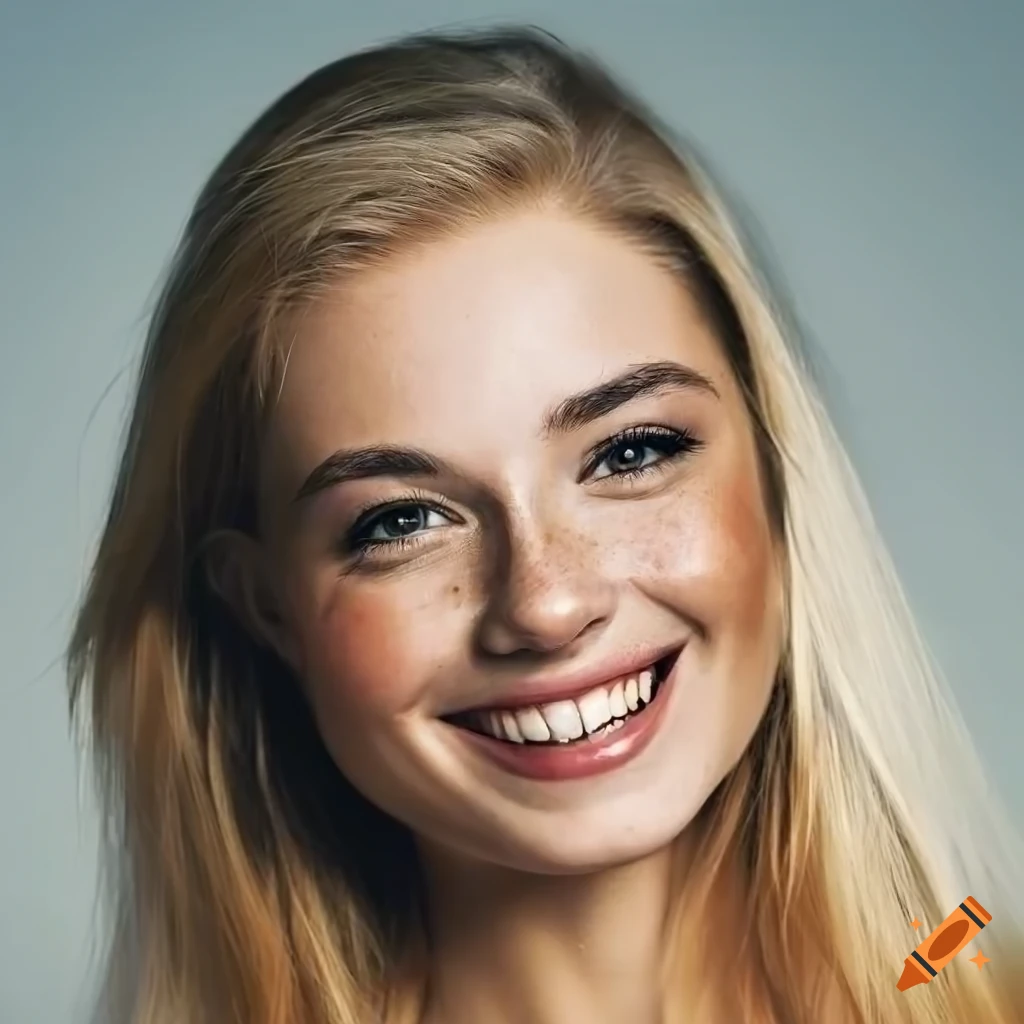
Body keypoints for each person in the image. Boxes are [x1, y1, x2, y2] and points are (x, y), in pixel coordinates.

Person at [68, 24, 1022, 1024]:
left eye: (630, 452)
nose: (547, 601)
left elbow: (954, 943)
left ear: (774, 462)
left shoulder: (964, 962)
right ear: (268, 609)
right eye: (400, 520)